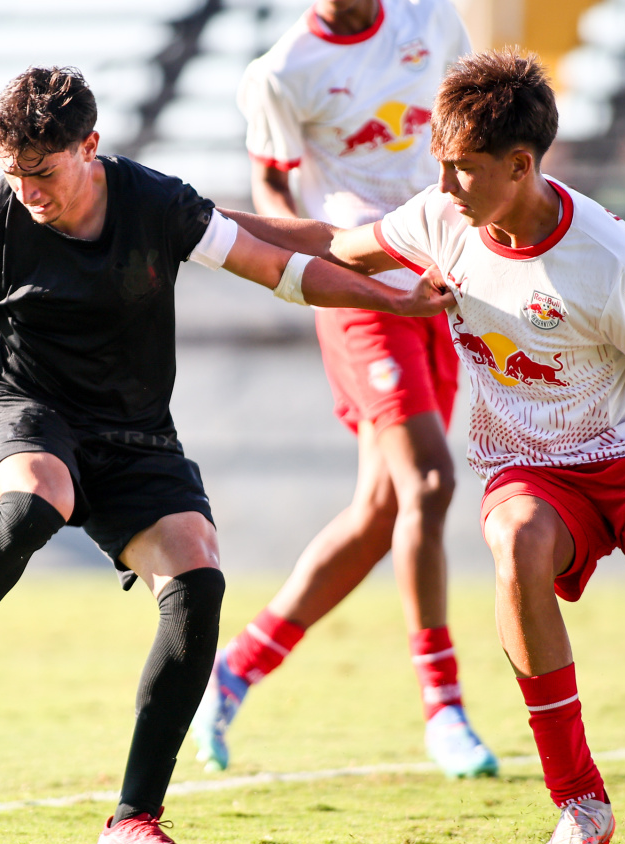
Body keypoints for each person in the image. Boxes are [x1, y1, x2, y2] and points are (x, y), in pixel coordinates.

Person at [0, 66, 453, 844]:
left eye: (42, 172)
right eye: (13, 173)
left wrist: (391, 297)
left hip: (137, 434)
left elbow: (274, 267)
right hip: (28, 410)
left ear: (91, 146)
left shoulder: (156, 204)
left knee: (198, 579)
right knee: (39, 496)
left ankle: (131, 822)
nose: (28, 190)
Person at [216, 49, 625, 844]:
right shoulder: (445, 220)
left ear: (520, 166)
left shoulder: (614, 261)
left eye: (462, 170)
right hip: (531, 469)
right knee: (516, 545)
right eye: (438, 166)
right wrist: (201, 224)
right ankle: (580, 805)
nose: (442, 188)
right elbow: (335, 241)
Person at [192, 0, 498, 780]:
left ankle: (236, 668)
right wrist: (323, 279)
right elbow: (274, 196)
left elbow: (469, 139)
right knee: (429, 482)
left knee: (381, 512)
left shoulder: (431, 20)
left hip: (443, 280)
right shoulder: (281, 74)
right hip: (363, 295)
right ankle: (444, 708)